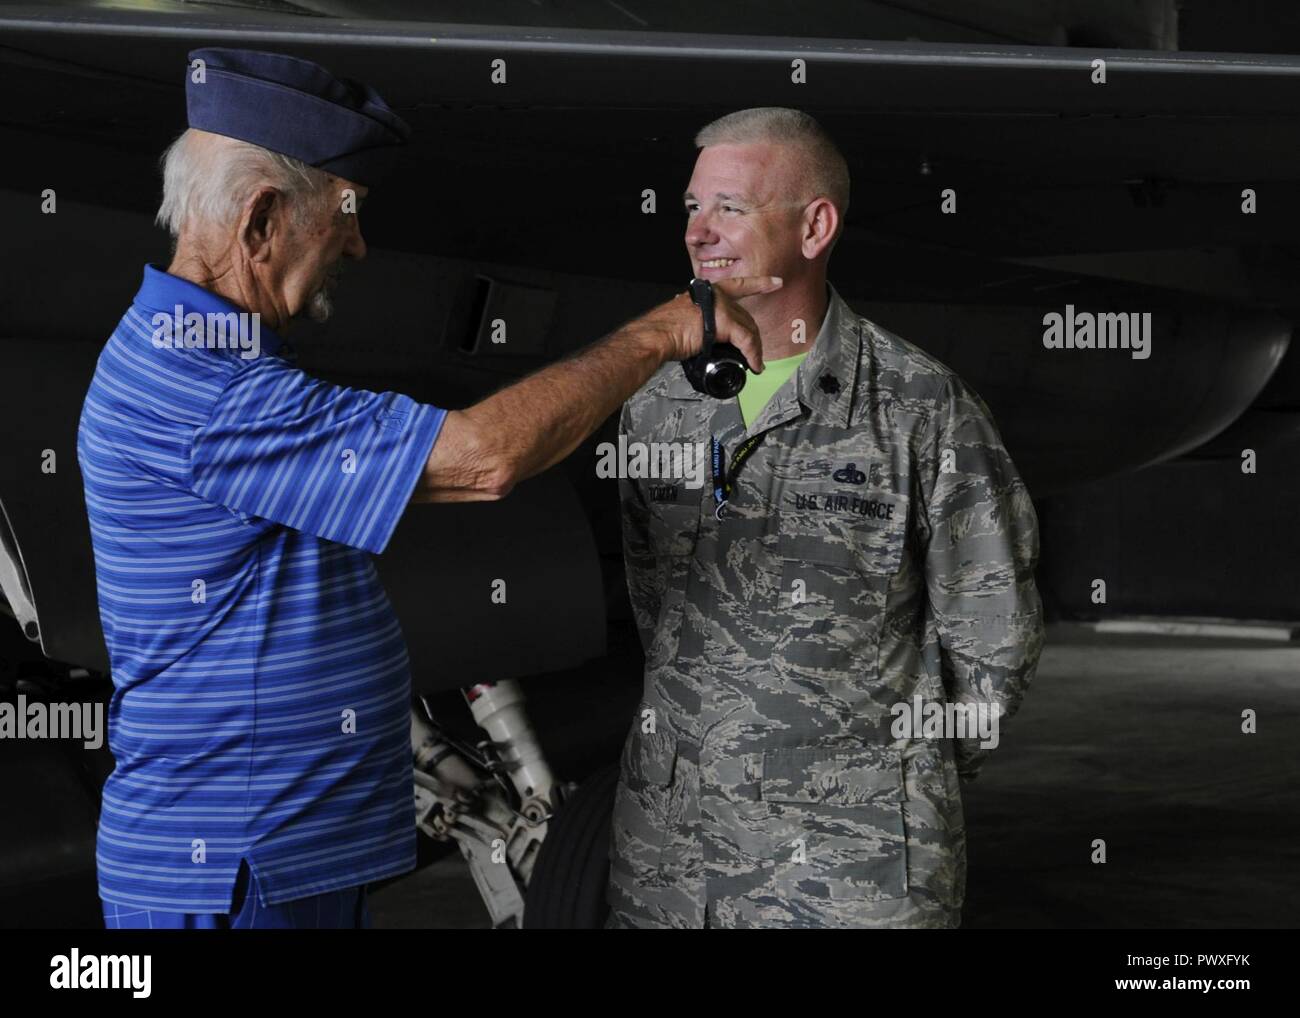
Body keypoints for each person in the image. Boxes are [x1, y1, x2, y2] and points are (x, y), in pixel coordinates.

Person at [80, 47, 776, 929]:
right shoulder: (203, 388)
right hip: (229, 872)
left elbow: (444, 479)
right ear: (261, 220)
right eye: (346, 215)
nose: (359, 245)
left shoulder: (203, 359)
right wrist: (663, 332)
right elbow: (482, 460)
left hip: (270, 863)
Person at [608, 107, 1044, 929]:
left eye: (730, 208)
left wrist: (892, 772)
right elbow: (656, 609)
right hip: (673, 860)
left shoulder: (922, 408)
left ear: (815, 226)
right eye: (692, 208)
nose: (700, 233)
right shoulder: (654, 399)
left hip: (854, 864)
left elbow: (992, 643)